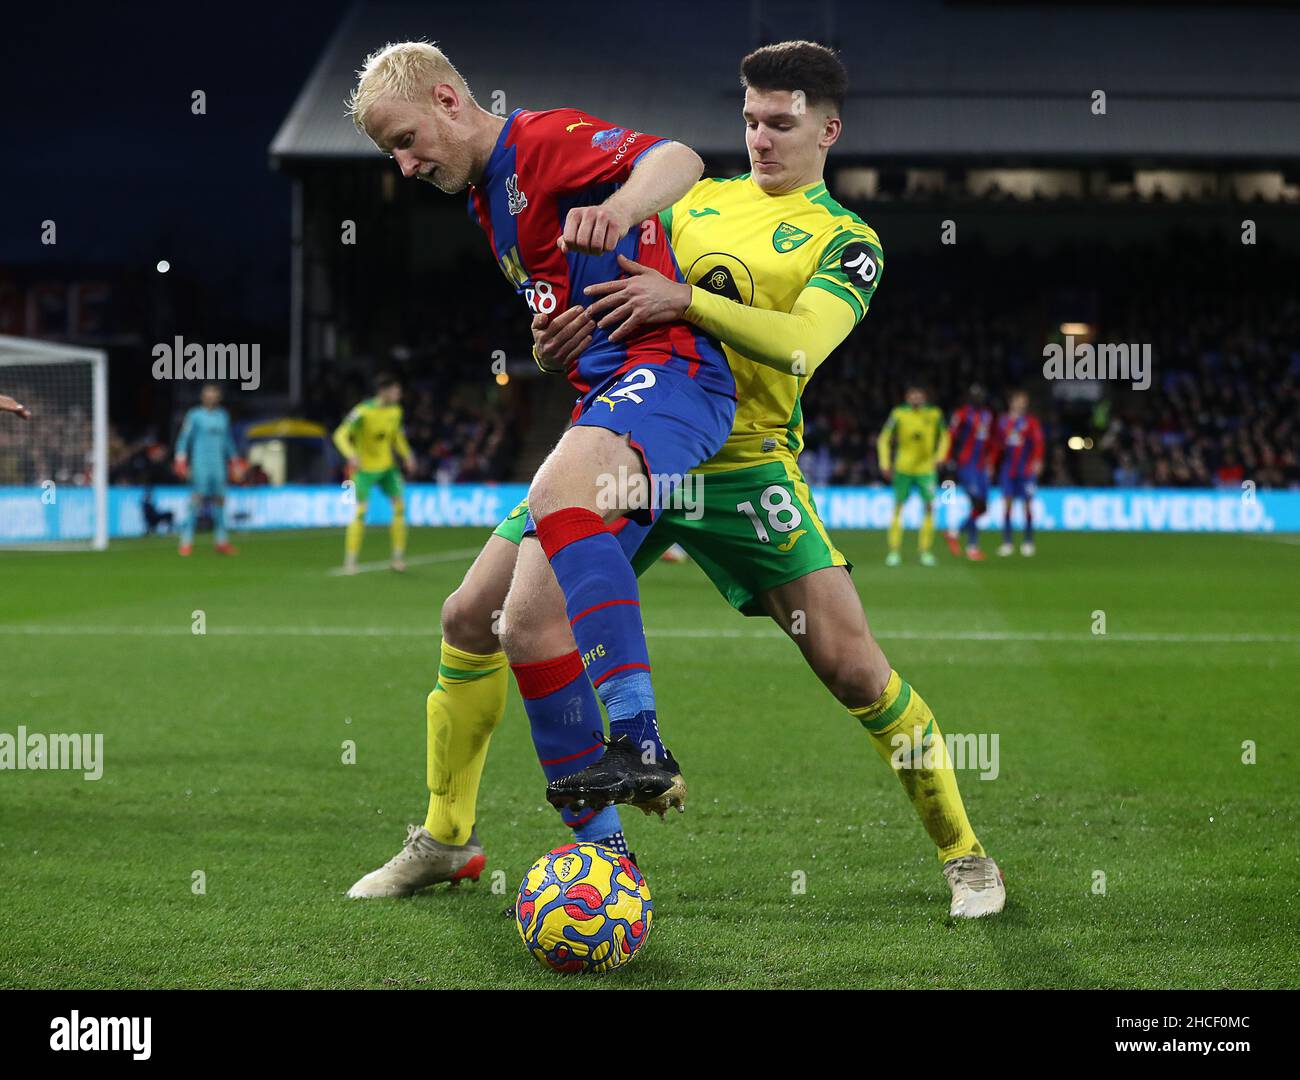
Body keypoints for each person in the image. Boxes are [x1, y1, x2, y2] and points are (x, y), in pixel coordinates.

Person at [347, 41, 1004, 919]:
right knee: (479, 614)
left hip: (740, 463)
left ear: (827, 129)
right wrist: (561, 334)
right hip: (628, 439)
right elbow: (609, 272)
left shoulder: (849, 241)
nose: (761, 138)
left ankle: (967, 856)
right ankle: (464, 839)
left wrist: (685, 299)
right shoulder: (698, 203)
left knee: (853, 669)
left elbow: (804, 343)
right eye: (750, 120)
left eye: (781, 122)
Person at [347, 40, 737, 818]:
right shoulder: (487, 199)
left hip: (672, 374)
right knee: (491, 617)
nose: (404, 165)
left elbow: (680, 158)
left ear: (448, 101)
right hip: (607, 392)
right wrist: (549, 344)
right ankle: (602, 864)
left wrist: (624, 207)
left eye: (405, 141)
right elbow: (560, 303)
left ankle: (640, 741)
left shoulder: (541, 141)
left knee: (561, 498)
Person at [332, 373, 414, 574]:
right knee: (360, 512)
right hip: (364, 469)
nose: (399, 394)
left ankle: (397, 558)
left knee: (400, 508)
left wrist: (407, 456)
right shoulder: (362, 411)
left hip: (387, 467)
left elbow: (397, 437)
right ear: (383, 391)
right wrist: (350, 454)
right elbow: (339, 434)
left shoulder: (396, 411)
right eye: (395, 390)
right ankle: (350, 562)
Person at [877, 384, 949, 567]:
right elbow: (884, 437)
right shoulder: (898, 414)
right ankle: (894, 551)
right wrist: (885, 462)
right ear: (908, 396)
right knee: (898, 507)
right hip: (903, 469)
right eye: (913, 394)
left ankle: (925, 552)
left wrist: (940, 456)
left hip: (926, 469)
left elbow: (945, 436)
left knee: (929, 507)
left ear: (924, 396)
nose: (916, 397)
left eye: (919, 394)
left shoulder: (934, 414)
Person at [174, 384, 238, 556]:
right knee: (196, 500)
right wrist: (181, 459)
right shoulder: (195, 415)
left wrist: (234, 459)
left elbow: (228, 440)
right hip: (200, 463)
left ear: (218, 397)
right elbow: (184, 438)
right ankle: (186, 541)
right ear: (202, 397)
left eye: (213, 395)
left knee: (220, 501)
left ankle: (221, 541)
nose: (210, 398)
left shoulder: (223, 416)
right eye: (207, 395)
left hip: (218, 464)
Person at [945, 384, 995, 560]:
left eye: (980, 395)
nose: (978, 398)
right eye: (975, 395)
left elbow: (989, 441)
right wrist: (949, 458)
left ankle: (955, 533)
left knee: (983, 508)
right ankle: (972, 547)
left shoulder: (987, 415)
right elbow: (950, 436)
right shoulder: (961, 414)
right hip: (967, 464)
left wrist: (990, 460)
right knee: (977, 503)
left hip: (981, 466)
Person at [992, 390, 1044, 556]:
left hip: (1026, 470)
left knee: (1027, 505)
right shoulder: (1002, 422)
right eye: (1018, 401)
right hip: (1008, 470)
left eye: (1024, 401)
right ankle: (1007, 542)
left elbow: (1038, 443)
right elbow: (996, 444)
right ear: (1011, 402)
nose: (1021, 404)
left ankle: (1028, 541)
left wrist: (1038, 460)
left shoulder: (1031, 422)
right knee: (1007, 504)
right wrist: (991, 463)